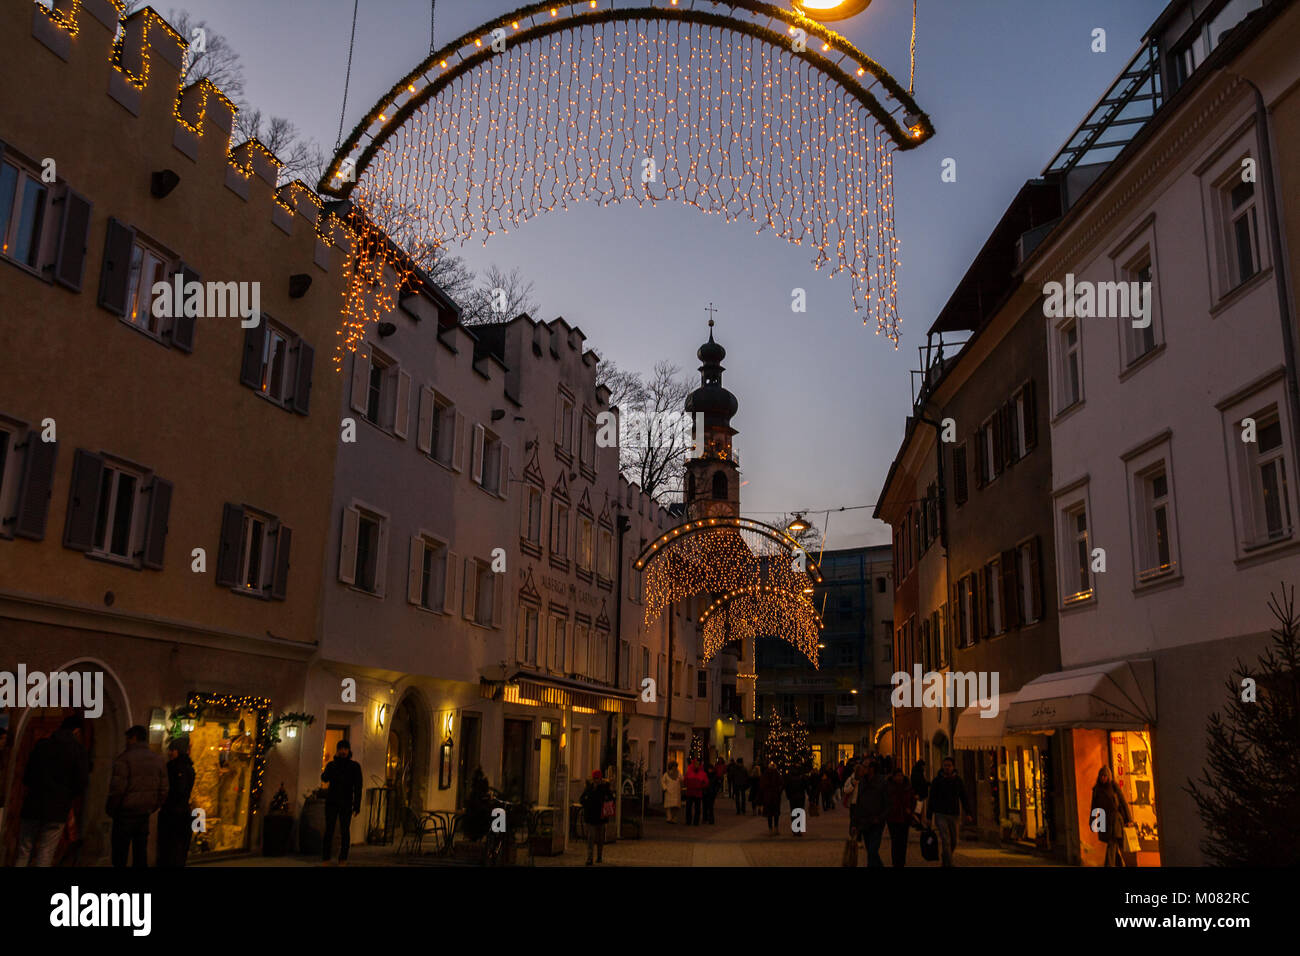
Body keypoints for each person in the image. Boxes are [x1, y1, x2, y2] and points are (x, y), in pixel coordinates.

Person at [15, 715, 89, 867]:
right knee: (45, 852)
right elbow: (81, 783)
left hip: (33, 804)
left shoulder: (42, 745)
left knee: (24, 850)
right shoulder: (78, 751)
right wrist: (66, 796)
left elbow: (27, 775)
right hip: (57, 809)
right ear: (76, 731)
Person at [106, 725, 167, 868]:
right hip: (144, 814)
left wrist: (111, 809)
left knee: (120, 854)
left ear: (133, 738)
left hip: (124, 814)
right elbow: (164, 790)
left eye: (128, 738)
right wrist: (152, 807)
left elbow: (117, 789)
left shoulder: (124, 759)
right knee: (140, 853)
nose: (126, 741)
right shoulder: (157, 760)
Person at [320, 739, 363, 864]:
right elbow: (324, 778)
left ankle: (343, 858)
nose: (343, 751)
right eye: (340, 749)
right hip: (332, 801)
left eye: (345, 749)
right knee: (329, 830)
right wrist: (330, 767)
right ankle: (326, 858)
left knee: (345, 831)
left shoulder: (354, 767)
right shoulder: (332, 765)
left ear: (349, 750)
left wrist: (356, 805)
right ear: (337, 750)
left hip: (346, 802)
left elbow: (358, 786)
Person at [156, 736, 196, 868]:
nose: (169, 753)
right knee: (178, 850)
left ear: (179, 751)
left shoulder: (175, 768)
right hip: (181, 813)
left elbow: (177, 790)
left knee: (170, 850)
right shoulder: (189, 768)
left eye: (172, 750)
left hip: (173, 814)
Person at [926, 756, 972, 867]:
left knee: (954, 841)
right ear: (942, 766)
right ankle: (950, 864)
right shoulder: (937, 781)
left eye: (949, 766)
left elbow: (963, 796)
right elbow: (932, 798)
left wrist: (968, 812)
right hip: (940, 814)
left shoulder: (958, 781)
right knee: (945, 839)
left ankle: (946, 857)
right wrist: (929, 816)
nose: (947, 768)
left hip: (954, 814)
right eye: (945, 765)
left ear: (953, 767)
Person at [1090, 765, 1132, 867]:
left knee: (1112, 843)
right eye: (1101, 776)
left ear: (1109, 776)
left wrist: (1129, 819)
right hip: (1104, 819)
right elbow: (1094, 807)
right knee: (1113, 845)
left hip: (1116, 820)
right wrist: (1092, 822)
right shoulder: (1097, 790)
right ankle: (1120, 864)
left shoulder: (1114, 787)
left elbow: (1123, 802)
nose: (1103, 778)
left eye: (1105, 776)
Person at [850, 760, 889, 866]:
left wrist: (880, 818)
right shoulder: (862, 782)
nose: (862, 769)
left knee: (872, 851)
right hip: (864, 822)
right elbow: (858, 803)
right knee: (871, 852)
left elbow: (887, 803)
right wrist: (854, 823)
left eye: (865, 767)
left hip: (876, 822)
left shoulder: (882, 782)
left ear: (872, 769)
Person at [579, 770, 614, 865]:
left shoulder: (605, 788)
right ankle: (589, 858)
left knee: (600, 839)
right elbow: (581, 799)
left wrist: (606, 800)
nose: (596, 780)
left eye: (597, 778)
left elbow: (611, 799)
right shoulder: (589, 788)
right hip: (590, 817)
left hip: (601, 817)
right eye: (594, 778)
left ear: (600, 778)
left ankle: (599, 856)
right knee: (591, 838)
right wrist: (587, 803)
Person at [885, 765, 917, 868]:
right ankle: (896, 862)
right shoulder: (888, 787)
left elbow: (913, 800)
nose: (899, 777)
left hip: (905, 817)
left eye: (901, 775)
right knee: (895, 841)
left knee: (903, 841)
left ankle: (901, 862)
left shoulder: (908, 787)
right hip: (892, 818)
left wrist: (911, 810)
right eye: (897, 776)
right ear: (893, 777)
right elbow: (885, 801)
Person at [760, 764, 783, 835]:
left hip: (767, 796)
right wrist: (779, 792)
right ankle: (776, 828)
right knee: (776, 813)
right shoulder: (777, 774)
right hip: (775, 796)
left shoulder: (765, 774)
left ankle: (770, 829)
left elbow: (762, 786)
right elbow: (781, 784)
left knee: (769, 814)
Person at [683, 759, 707, 826]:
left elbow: (706, 782)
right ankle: (688, 821)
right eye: (695, 764)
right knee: (688, 808)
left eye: (697, 764)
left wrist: (700, 786)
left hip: (697, 793)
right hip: (690, 792)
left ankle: (696, 822)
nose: (696, 765)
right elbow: (685, 781)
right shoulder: (689, 772)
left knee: (697, 808)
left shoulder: (702, 773)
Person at [784, 770, 807, 836]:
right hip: (800, 797)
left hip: (793, 798)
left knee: (794, 813)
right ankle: (799, 830)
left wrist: (788, 796)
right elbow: (805, 787)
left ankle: (794, 829)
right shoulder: (802, 780)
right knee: (800, 813)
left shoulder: (790, 781)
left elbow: (787, 789)